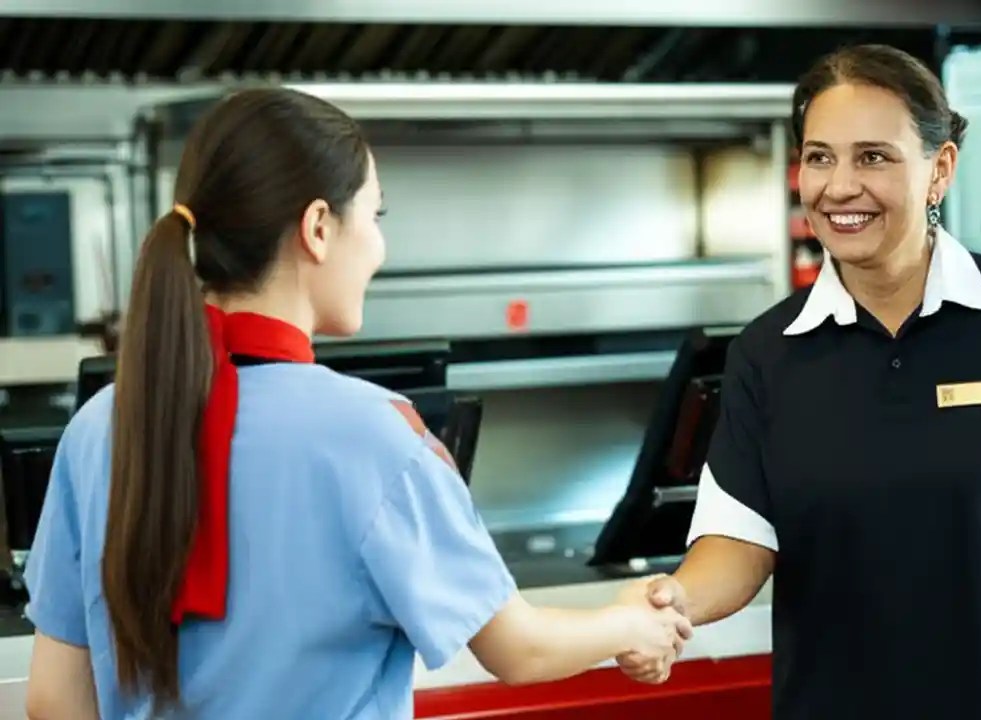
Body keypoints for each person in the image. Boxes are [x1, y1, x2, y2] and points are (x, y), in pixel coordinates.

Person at [23, 87, 691, 720]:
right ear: (318, 226)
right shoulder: (376, 435)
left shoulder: (98, 428)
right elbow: (521, 649)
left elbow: (55, 702)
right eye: (374, 215)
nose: (378, 246)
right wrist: (634, 620)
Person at [616, 44, 981, 719]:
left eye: (873, 157)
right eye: (820, 157)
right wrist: (669, 605)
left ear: (940, 170)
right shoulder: (768, 352)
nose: (839, 187)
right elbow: (739, 542)